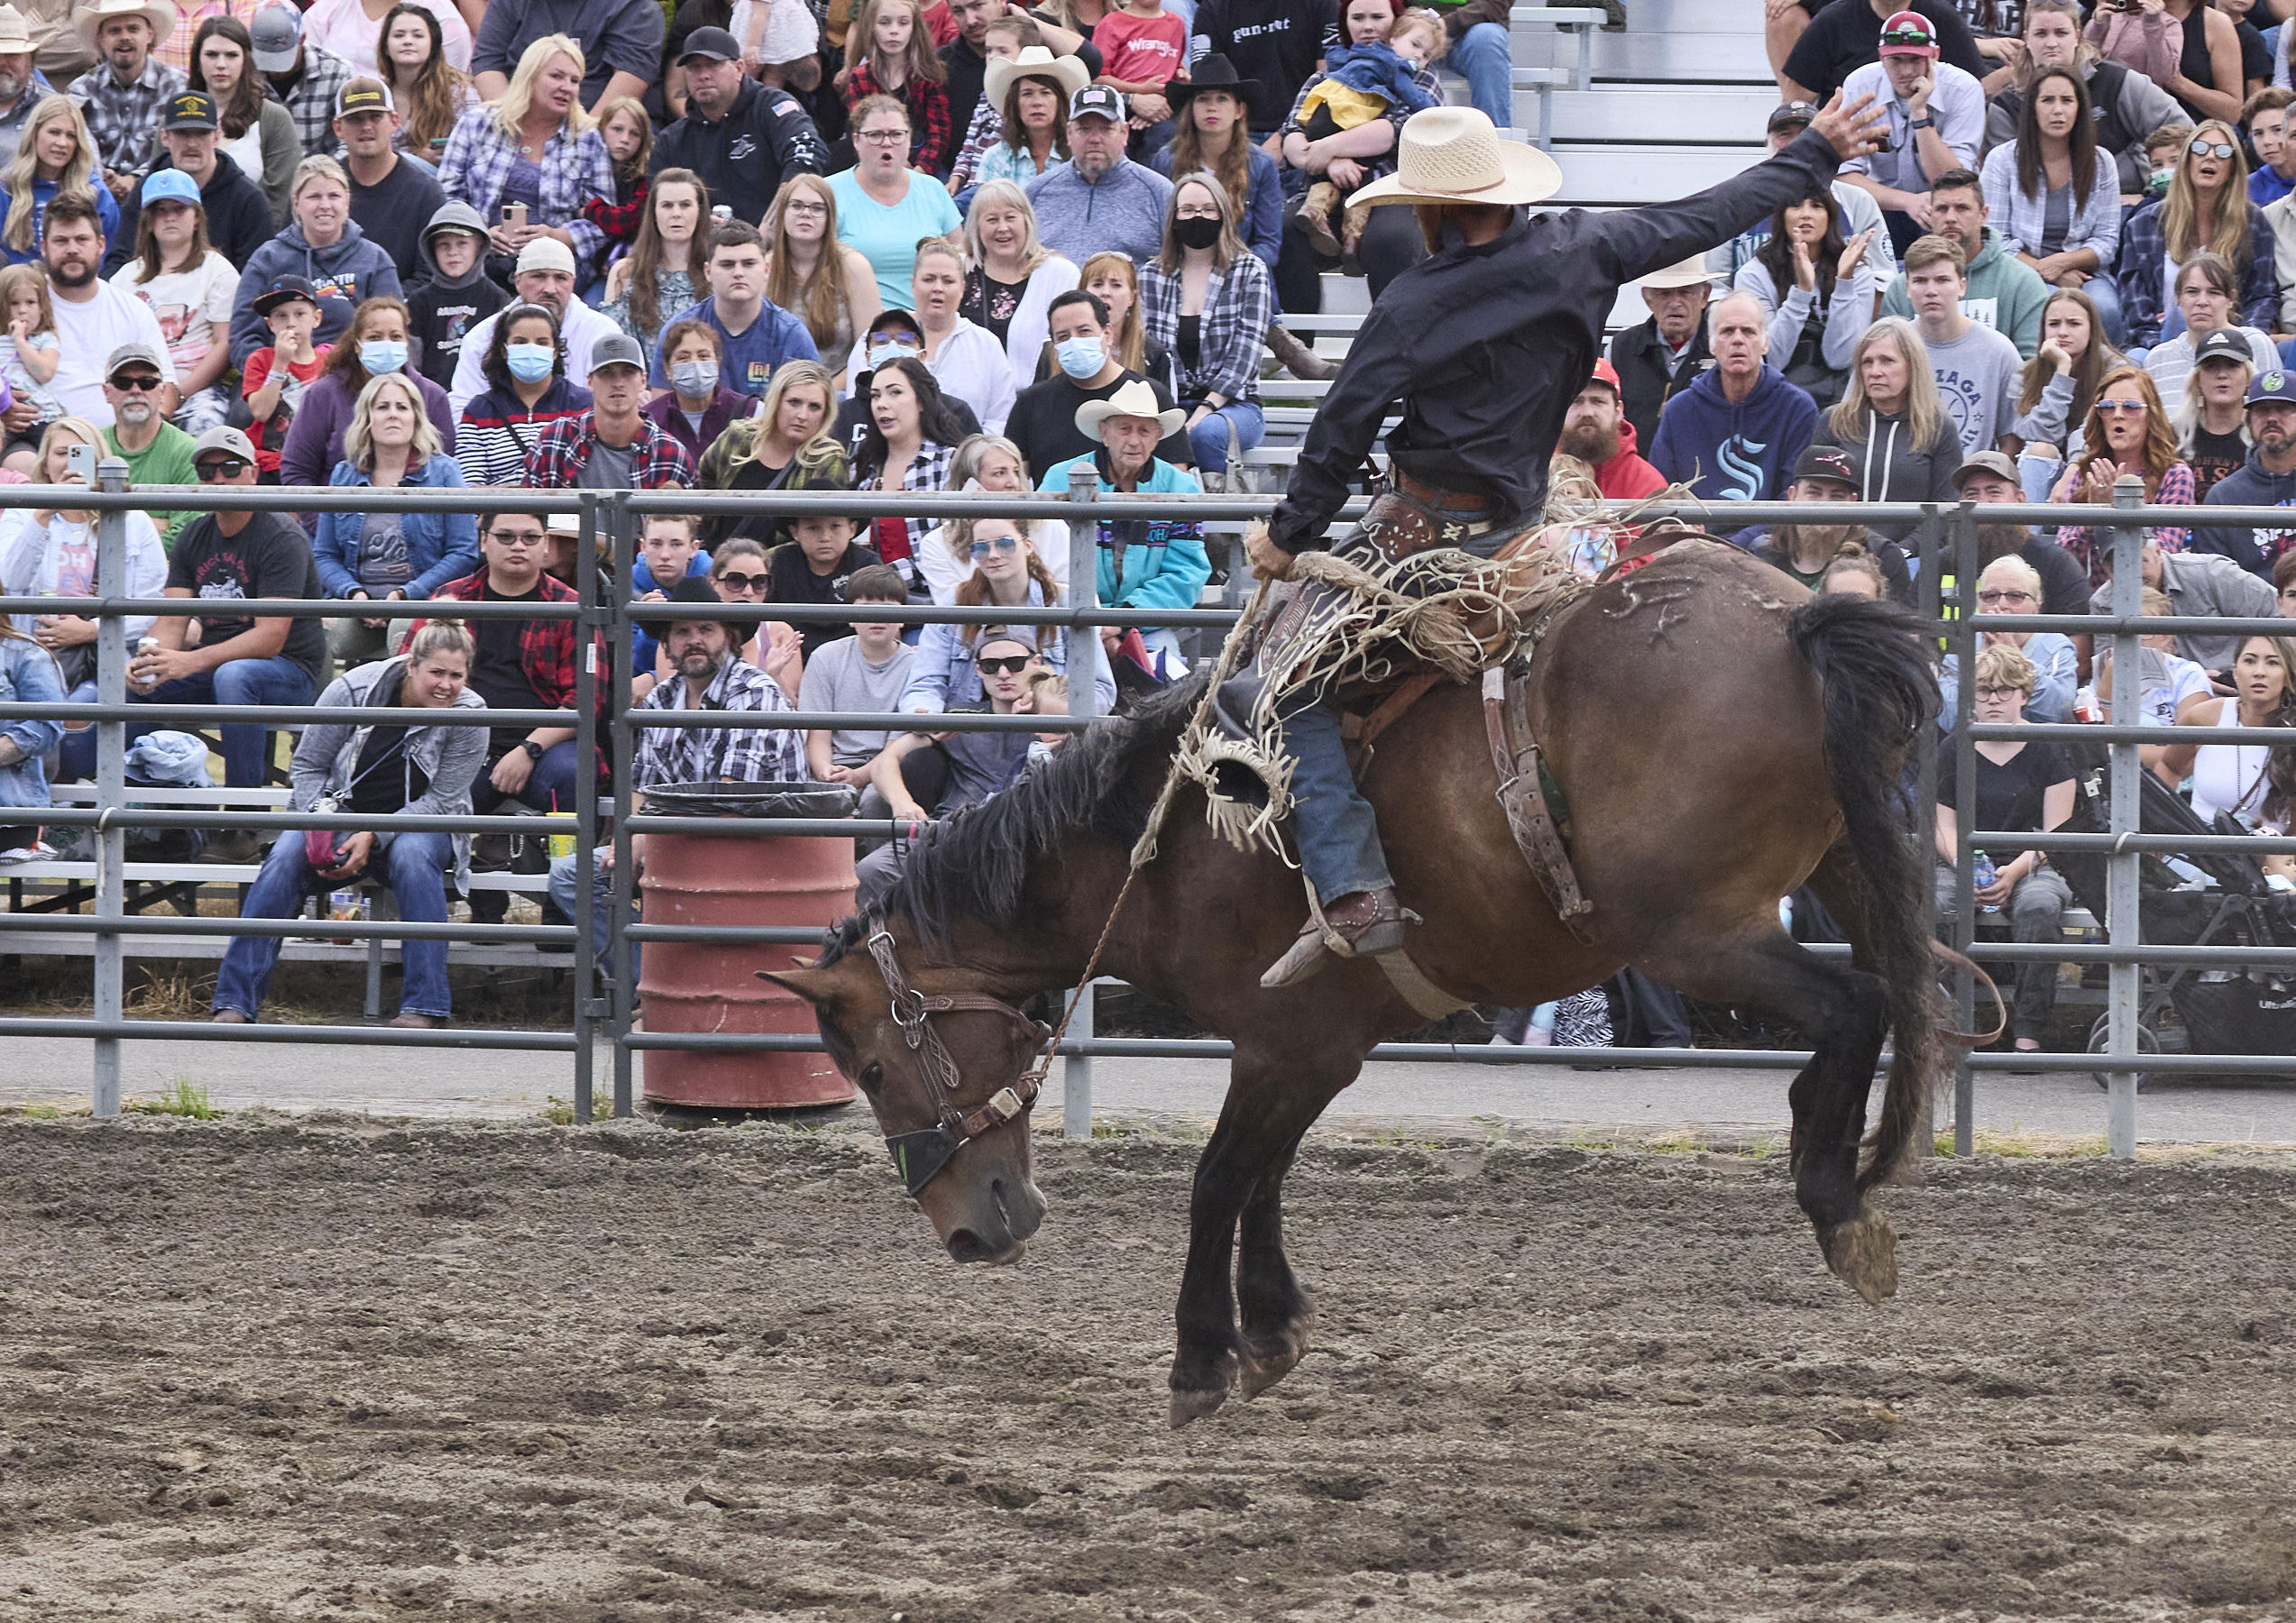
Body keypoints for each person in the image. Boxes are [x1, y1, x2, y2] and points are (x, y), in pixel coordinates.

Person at [1239, 97, 1887, 982]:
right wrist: (1811, 152)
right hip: (1532, 526)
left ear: (1426, 209)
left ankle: (1353, 885)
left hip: (1421, 540)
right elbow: (1709, 211)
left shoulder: (1411, 301)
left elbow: (1341, 428)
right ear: (1503, 192)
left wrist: (1285, 538)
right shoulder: (1582, 249)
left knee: (1283, 686)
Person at [208, 619, 483, 1030]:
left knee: (411, 856)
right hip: (337, 814)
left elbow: (442, 801)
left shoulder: (470, 715)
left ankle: (425, 1006)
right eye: (436, 673)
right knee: (283, 859)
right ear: (410, 665)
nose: (446, 685)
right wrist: (323, 825)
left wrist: (372, 835)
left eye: (456, 676)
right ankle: (233, 1002)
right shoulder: (353, 689)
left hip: (420, 824)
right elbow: (307, 766)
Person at [550, 573, 806, 965]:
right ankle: (653, 989)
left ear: (730, 637)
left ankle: (672, 984)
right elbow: (643, 786)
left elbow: (728, 800)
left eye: (706, 628)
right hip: (681, 843)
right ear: (667, 644)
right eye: (682, 630)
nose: (694, 639)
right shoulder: (659, 700)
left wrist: (649, 844)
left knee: (659, 866)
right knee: (572, 876)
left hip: (758, 851)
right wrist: (629, 840)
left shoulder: (757, 694)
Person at [126, 426, 328, 852]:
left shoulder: (281, 535)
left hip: (287, 672)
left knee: (235, 677)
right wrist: (148, 657)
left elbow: (270, 638)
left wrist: (190, 661)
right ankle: (160, 818)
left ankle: (244, 821)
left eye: (231, 468)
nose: (219, 479)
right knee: (140, 684)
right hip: (221, 665)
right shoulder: (194, 535)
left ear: (254, 474)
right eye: (207, 470)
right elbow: (170, 623)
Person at [421, 511, 596, 905]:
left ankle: (560, 905)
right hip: (464, 745)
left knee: (573, 774)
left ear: (547, 545)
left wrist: (528, 750)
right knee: (425, 799)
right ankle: (477, 895)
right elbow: (412, 679)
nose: (519, 546)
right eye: (506, 536)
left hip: (546, 748)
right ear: (483, 540)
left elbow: (588, 698)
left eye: (531, 538)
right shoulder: (449, 600)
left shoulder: (573, 608)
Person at [0, 416, 165, 783]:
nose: (69, 462)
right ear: (44, 463)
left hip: (103, 660)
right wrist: (43, 513)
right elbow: (10, 580)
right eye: (61, 453)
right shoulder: (22, 512)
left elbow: (149, 605)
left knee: (69, 716)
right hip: (31, 658)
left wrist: (89, 630)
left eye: (80, 453)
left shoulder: (131, 520)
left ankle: (57, 817)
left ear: (99, 461)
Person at [1933, 641, 2075, 1057]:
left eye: (2005, 690)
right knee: (1934, 905)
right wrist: (1963, 865)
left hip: (2035, 862)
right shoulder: (1953, 749)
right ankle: (1939, 1023)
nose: (1993, 699)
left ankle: (2028, 1029)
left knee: (2039, 908)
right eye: (1983, 691)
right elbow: (1942, 823)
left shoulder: (2049, 748)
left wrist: (2014, 871)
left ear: (2025, 697)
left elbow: (2058, 830)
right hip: (1962, 861)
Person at [1039, 377, 1208, 675]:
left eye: (1144, 431)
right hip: (1069, 619)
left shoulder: (1181, 487)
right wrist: (1090, 618)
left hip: (1146, 626)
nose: (1134, 440)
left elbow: (1186, 574)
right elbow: (1044, 563)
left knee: (1170, 683)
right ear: (1104, 433)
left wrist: (1122, 619)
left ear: (1158, 438)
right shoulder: (1059, 478)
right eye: (1124, 429)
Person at [313, 370, 477, 667]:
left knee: (404, 631)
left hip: (421, 600)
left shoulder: (445, 472)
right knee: (316, 630)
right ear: (367, 417)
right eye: (382, 407)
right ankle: (323, 714)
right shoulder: (343, 474)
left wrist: (404, 595)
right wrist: (354, 594)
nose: (393, 415)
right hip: (357, 602)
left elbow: (463, 552)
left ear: (416, 418)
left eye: (402, 407)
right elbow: (324, 554)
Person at [439, 37, 615, 290]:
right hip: (479, 259)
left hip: (553, 267)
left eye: (574, 81)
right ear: (529, 76)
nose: (567, 87)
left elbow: (604, 220)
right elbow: (446, 199)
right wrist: (480, 234)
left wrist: (555, 236)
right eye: (556, 76)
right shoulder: (477, 124)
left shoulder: (587, 139)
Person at [1981, 0, 2181, 207]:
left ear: (2077, 36)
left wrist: (2151, 196)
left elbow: (2182, 133)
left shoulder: (2118, 82)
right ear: (2026, 39)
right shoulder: (2007, 104)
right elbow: (2002, 178)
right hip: (2038, 210)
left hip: (2122, 202)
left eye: (2061, 33)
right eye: (2041, 34)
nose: (2051, 43)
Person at [1978, 67, 2124, 344]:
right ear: (2032, 108)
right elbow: (1994, 239)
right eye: (2047, 100)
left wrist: (2061, 264)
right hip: (2020, 272)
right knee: (2045, 308)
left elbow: (2106, 242)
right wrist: (2043, 269)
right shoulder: (2002, 160)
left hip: (2084, 274)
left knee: (2106, 310)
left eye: (2067, 100)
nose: (2058, 110)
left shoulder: (2102, 163)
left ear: (2080, 108)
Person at [899, 517, 1111, 707]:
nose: (992, 555)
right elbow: (924, 684)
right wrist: (926, 715)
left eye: (1005, 544)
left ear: (1028, 546)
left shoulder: (1065, 603)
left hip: (1048, 732)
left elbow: (1100, 689)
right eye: (981, 548)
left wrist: (1047, 705)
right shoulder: (954, 604)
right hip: (969, 736)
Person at [1139, 170, 1269, 479]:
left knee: (1203, 434)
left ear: (1223, 215)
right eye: (1188, 210)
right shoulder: (1150, 276)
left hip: (1234, 404)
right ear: (1174, 217)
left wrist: (1205, 408)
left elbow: (1245, 354)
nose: (1198, 217)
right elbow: (1147, 352)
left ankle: (1211, 519)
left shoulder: (1250, 271)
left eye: (1208, 210)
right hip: (1170, 400)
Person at [1707, 98, 1897, 297]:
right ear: (1767, 144)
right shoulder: (1737, 199)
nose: (1797, 143)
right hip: (1752, 323)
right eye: (1784, 134)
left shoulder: (1857, 201)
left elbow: (1882, 280)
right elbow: (1716, 288)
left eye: (1808, 134)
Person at [1832, 12, 1985, 256]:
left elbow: (1955, 181)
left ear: (1935, 55)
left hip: (1945, 205)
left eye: (1915, 59)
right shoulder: (1860, 85)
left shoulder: (1964, 89)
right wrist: (1907, 201)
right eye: (1896, 60)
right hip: (1882, 204)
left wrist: (1920, 115)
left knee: (1950, 212)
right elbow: (1844, 176)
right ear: (1882, 58)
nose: (1906, 71)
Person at [1649, 290, 1819, 508]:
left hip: (1769, 539)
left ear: (1765, 343)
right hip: (1692, 537)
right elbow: (1663, 495)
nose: (1738, 340)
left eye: (1748, 331)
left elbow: (1792, 498)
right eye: (1727, 331)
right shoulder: (1679, 410)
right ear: (1711, 345)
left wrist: (1744, 540)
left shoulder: (1798, 408)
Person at [228, 154, 402, 366]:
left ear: (347, 202)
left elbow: (393, 333)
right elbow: (243, 337)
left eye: (334, 196)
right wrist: (274, 376)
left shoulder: (375, 259)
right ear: (296, 203)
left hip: (352, 374)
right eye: (314, 197)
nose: (325, 205)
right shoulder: (267, 259)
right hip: (281, 375)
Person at [2120, 118, 2278, 349]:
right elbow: (2135, 308)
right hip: (2160, 343)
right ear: (2186, 160)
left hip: (2230, 341)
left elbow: (2263, 296)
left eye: (2223, 152)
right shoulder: (2143, 224)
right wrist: (2162, 350)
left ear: (2233, 167)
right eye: (2200, 148)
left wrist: (2244, 340)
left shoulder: (2252, 221)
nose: (2210, 156)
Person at [650, 26, 825, 228]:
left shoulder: (771, 106)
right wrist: (698, 224)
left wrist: (769, 228)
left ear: (739, 69)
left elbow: (807, 153)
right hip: (702, 249)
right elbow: (655, 204)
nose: (703, 75)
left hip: (775, 247)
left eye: (714, 64)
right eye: (694, 67)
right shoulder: (672, 139)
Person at [280, 293, 456, 492]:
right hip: (340, 515)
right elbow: (297, 471)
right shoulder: (323, 395)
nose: (386, 343)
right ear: (357, 345)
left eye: (395, 336)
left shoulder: (433, 396)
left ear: (407, 341)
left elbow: (446, 469)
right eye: (375, 337)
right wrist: (324, 522)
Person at [1731, 184, 1879, 408]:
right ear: (1781, 216)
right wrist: (1801, 292)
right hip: (1773, 402)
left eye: (1817, 206)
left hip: (1841, 405)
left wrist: (1844, 283)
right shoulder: (1753, 274)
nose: (1806, 214)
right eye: (1795, 205)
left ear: (1830, 217)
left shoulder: (1858, 273)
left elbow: (1840, 358)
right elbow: (1772, 359)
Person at [1873, 170, 2048, 358]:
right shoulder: (1903, 287)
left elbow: (2032, 364)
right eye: (1941, 209)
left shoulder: (2023, 283)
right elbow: (1889, 358)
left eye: (1962, 208)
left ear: (1983, 214)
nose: (1950, 218)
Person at [109, 167, 233, 433]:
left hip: (197, 388)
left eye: (179, 209)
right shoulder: (123, 280)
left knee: (206, 427)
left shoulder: (218, 270)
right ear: (148, 221)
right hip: (132, 388)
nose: (170, 217)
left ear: (197, 217)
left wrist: (177, 393)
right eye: (160, 210)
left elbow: (225, 344)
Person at [100, 86, 271, 276]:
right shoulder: (145, 190)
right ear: (164, 137)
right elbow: (119, 261)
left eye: (201, 133)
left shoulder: (247, 198)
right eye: (182, 133)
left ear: (216, 137)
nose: (191, 144)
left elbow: (256, 275)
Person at [37, 192, 174, 424]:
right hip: (44, 444)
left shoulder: (133, 310)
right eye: (61, 241)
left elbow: (167, 388)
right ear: (43, 247)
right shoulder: (19, 307)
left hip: (127, 443)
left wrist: (144, 440)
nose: (72, 249)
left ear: (101, 244)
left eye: (82, 240)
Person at [2054, 365, 2198, 584]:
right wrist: (2093, 520)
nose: (2118, 415)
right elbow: (2064, 563)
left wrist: (2117, 513)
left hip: (2149, 601)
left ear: (2151, 414)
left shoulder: (2176, 475)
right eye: (2108, 407)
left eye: (2131, 407)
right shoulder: (2085, 474)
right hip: (2089, 605)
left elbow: (2161, 557)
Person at [445, 235, 617, 414]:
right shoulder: (482, 337)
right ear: (518, 281)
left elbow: (614, 407)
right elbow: (463, 408)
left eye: (560, 278)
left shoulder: (603, 334)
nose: (550, 288)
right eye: (538, 276)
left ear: (573, 283)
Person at [828, 95, 964, 309]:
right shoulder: (828, 193)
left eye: (896, 135)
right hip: (855, 324)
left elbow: (959, 259)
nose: (887, 143)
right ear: (856, 140)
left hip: (928, 323)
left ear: (909, 139)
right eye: (875, 135)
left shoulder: (934, 190)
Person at [1896, 232, 2023, 456]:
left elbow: (2013, 436)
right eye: (1920, 281)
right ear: (1907, 288)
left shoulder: (1999, 351)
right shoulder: (1889, 346)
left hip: (1970, 483)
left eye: (1943, 280)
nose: (1931, 291)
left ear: (1962, 286)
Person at [2161, 634, 2296, 843]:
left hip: (2271, 863)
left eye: (2272, 662)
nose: (2259, 672)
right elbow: (2169, 766)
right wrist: (2162, 832)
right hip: (2200, 854)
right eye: (2250, 661)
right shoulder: (2205, 716)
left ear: (2288, 674)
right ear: (2235, 670)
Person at [695, 356, 846, 543]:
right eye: (794, 402)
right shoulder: (739, 437)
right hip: (724, 564)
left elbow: (820, 533)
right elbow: (705, 475)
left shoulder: (828, 459)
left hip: (783, 567)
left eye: (814, 407)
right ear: (776, 401)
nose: (802, 415)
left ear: (825, 414)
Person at [1152, 54, 1278, 270]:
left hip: (1242, 278)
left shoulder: (1262, 164)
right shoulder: (1166, 160)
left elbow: (1269, 245)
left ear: (1239, 110)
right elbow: (1157, 235)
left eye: (1222, 98)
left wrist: (1228, 268)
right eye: (1203, 99)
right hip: (1181, 274)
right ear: (1191, 108)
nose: (1212, 107)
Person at [1025, 84, 1172, 266]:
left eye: (1106, 129)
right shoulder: (1037, 191)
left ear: (1124, 132)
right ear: (1069, 133)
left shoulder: (1159, 192)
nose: (1095, 139)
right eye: (1084, 129)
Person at [527, 330, 696, 488]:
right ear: (590, 382)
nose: (618, 383)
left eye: (628, 372)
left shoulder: (670, 453)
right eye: (606, 373)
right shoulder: (555, 440)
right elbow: (527, 510)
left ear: (643, 382)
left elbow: (688, 519)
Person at [853, 354, 966, 590]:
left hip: (934, 603)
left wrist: (885, 581)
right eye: (875, 395)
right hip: (872, 606)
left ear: (922, 401)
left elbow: (959, 547)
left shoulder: (951, 462)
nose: (882, 403)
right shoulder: (864, 468)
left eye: (895, 392)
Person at [876, 234, 1009, 433]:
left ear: (963, 288)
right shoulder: (878, 338)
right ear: (913, 284)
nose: (938, 288)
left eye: (948, 281)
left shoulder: (986, 344)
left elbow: (1000, 420)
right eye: (929, 279)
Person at [2093, 530, 2277, 673]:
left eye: (2140, 561)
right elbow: (2108, 671)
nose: (2132, 574)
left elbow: (2280, 612)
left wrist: (2248, 671)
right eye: (2118, 567)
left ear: (2158, 552)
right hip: (2152, 697)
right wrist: (2188, 681)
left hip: (2234, 691)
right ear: (2106, 571)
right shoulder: (2102, 603)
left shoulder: (2211, 573)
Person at [800, 563, 913, 785]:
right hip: (835, 763)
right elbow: (817, 733)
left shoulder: (914, 665)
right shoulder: (825, 657)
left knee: (874, 803)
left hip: (889, 767)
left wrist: (858, 777)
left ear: (903, 616)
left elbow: (897, 745)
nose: (877, 617)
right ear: (850, 615)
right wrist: (826, 772)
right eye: (867, 607)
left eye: (888, 607)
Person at [1751, 443, 1913, 598]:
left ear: (1853, 502)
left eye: (1837, 496)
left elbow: (1899, 624)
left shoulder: (1883, 556)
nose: (1825, 503)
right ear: (1792, 496)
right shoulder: (1763, 555)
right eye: (1814, 493)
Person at [455, 300, 591, 483]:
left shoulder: (582, 405)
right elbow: (470, 485)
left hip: (565, 511)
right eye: (520, 342)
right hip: (498, 510)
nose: (531, 349)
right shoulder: (479, 410)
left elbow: (588, 476)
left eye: (542, 343)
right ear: (504, 350)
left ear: (556, 351)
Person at [960, 179, 1079, 386]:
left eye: (1010, 217)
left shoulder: (1060, 274)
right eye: (992, 220)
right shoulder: (959, 270)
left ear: (1027, 222)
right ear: (976, 228)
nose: (1002, 228)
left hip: (1036, 402)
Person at [65, 0, 188, 199]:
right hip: (96, 199)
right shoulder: (80, 91)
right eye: (115, 31)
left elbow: (182, 148)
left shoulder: (177, 88)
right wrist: (101, 178)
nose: (124, 37)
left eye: (133, 29)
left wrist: (136, 179)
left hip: (161, 198)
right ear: (100, 39)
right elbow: (71, 152)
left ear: (150, 34)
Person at [762, 172, 880, 379]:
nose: (805, 214)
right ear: (783, 212)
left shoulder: (853, 266)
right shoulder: (764, 268)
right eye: (796, 205)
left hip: (837, 390)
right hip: (773, 392)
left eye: (817, 208)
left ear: (830, 217)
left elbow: (868, 352)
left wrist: (825, 395)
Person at [1940, 550, 2077, 721]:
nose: (2001, 604)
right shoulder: (1964, 644)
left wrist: (2018, 661)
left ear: (2036, 607)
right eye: (1991, 596)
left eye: (2015, 596)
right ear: (1979, 604)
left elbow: (2061, 711)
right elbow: (1947, 718)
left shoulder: (2056, 646)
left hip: (2037, 744)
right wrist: (1978, 664)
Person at [2005, 287, 2126, 481]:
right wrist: (2063, 370)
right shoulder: (2024, 374)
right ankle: (2027, 514)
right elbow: (2038, 436)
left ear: (2091, 329)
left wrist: (2073, 468)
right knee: (2041, 450)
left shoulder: (2115, 370)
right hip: (2041, 470)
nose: (2062, 332)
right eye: (2053, 324)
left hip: (2098, 467)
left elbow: (2098, 435)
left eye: (2074, 324)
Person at [335, 78, 445, 289]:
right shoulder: (321, 190)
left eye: (375, 117)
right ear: (338, 127)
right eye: (355, 119)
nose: (366, 126)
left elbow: (430, 277)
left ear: (394, 122)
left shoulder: (425, 192)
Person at [2140, 252, 2280, 415]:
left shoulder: (2256, 344)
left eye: (2214, 292)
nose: (2202, 302)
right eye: (2192, 292)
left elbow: (2273, 414)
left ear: (2230, 299)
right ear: (2179, 298)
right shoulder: (2157, 359)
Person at [187, 15, 298, 223]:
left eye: (231, 55)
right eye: (211, 54)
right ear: (197, 60)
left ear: (246, 60)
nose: (221, 64)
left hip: (254, 239)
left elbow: (280, 201)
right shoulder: (177, 117)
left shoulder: (274, 119)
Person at [1609, 253, 1718, 459]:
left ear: (1705, 297)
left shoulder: (1724, 347)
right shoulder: (1619, 349)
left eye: (1685, 292)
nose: (1675, 302)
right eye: (1664, 293)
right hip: (1639, 483)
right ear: (1647, 299)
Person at [1779, 0, 1989, 106]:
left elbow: (1972, 94)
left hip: (1931, 144)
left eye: (1915, 58)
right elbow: (1796, 104)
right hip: (1847, 155)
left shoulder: (1944, 18)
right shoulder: (1831, 20)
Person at [598, 165, 707, 362]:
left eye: (685, 205)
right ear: (654, 213)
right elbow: (614, 346)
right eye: (667, 205)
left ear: (699, 211)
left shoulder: (716, 271)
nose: (676, 213)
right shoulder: (625, 272)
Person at [468, 0, 660, 109]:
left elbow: (632, 75)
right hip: (515, 117)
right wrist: (510, 122)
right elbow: (488, 63)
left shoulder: (634, 5)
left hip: (595, 129)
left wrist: (583, 136)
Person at [2196, 366, 2296, 575]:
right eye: (2262, 410)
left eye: (2283, 408)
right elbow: (2212, 581)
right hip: (2250, 606)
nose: (2271, 418)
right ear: (2248, 421)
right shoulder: (2223, 497)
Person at [0, 95, 118, 267]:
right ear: (34, 134)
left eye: (71, 136)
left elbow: (107, 260)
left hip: (78, 287)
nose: (62, 143)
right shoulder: (6, 189)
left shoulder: (96, 194)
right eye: (54, 132)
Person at [96, 340, 196, 542]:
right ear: (106, 392)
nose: (135, 390)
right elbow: (74, 523)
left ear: (162, 391)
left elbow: (186, 535)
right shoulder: (92, 445)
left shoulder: (188, 451)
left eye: (147, 382)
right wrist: (154, 524)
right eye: (123, 383)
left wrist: (110, 520)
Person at [2089, 0, 2243, 126]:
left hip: (2191, 137)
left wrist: (2180, 85)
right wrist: (2098, 26)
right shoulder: (2122, 15)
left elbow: (2232, 112)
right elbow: (2086, 65)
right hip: (2121, 129)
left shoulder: (2215, 23)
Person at [406, 200, 507, 390]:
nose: (453, 252)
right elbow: (413, 366)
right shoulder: (418, 301)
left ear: (480, 245)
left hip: (482, 397)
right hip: (432, 398)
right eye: (444, 245)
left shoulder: (497, 298)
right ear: (431, 250)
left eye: (462, 243)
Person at [844, 0, 954, 172]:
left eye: (903, 23)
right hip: (874, 164)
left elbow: (939, 133)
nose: (894, 30)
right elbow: (861, 129)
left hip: (922, 168)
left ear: (914, 28)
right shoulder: (860, 77)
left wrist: (919, 170)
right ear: (872, 26)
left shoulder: (929, 76)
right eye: (884, 22)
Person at [247, 2, 359, 164]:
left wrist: (320, 177)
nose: (275, 69)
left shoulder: (337, 72)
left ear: (302, 39)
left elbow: (350, 142)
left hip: (323, 175)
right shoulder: (245, 72)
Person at [964, 41, 1084, 188]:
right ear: (1015, 104)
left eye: (1045, 93)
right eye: (1027, 94)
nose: (1037, 102)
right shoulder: (996, 157)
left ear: (1060, 102)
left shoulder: (1080, 155)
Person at [239, 272, 326, 476]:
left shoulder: (330, 362)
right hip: (270, 463)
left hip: (318, 461)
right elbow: (260, 412)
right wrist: (280, 363)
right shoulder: (260, 359)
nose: (291, 323)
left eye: (300, 314)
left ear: (316, 318)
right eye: (281, 315)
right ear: (270, 324)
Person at [642, 315, 760, 462]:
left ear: (717, 364)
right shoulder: (649, 421)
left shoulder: (751, 412)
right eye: (683, 357)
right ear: (668, 370)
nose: (695, 364)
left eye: (703, 356)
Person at [768, 513, 886, 658]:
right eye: (813, 528)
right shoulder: (780, 562)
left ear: (852, 529)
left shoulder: (866, 563)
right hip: (789, 653)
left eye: (835, 526)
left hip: (853, 656)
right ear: (795, 532)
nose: (825, 537)